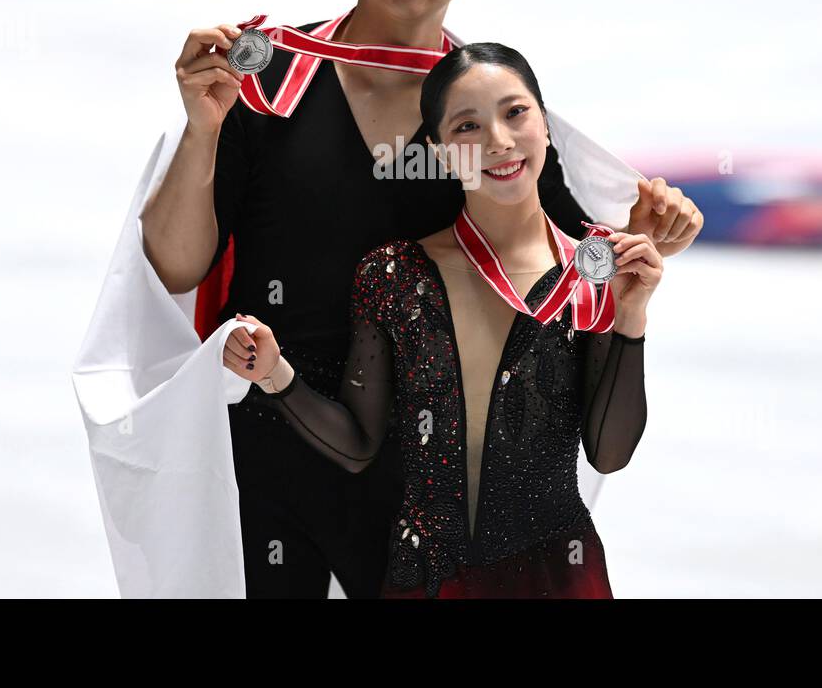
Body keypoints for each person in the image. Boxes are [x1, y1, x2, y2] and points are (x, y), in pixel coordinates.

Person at [138, 0, 702, 598]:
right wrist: (203, 132)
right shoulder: (272, 83)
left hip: (428, 481)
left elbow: (569, 271)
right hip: (270, 444)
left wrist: (646, 236)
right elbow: (175, 265)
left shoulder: (484, 112)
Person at [222, 43, 660, 598]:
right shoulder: (395, 276)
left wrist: (633, 319)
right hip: (425, 577)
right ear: (440, 152)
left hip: (556, 575)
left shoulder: (588, 275)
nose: (498, 141)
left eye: (515, 112)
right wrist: (276, 375)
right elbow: (359, 443)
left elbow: (609, 453)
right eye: (468, 126)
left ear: (545, 124)